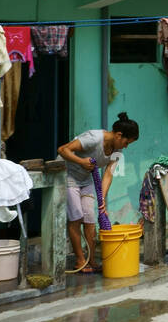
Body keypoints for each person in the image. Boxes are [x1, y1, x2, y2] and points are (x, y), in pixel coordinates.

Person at [58, 113, 138, 272]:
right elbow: (63, 149)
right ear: (118, 135)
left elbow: (108, 175)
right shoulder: (94, 138)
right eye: (126, 142)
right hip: (67, 174)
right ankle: (80, 260)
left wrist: (102, 199)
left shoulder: (117, 153)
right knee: (76, 216)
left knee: (89, 218)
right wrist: (81, 161)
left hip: (86, 179)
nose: (126, 146)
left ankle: (91, 260)